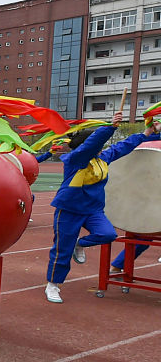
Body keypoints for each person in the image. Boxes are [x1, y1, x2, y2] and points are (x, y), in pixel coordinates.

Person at [43, 113, 159, 303]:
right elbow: (91, 145)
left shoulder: (103, 158)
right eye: (99, 144)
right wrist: (110, 127)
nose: (102, 147)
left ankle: (80, 244)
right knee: (62, 249)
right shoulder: (75, 159)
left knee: (107, 234)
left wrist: (147, 132)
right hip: (69, 210)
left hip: (93, 210)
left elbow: (124, 146)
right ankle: (53, 285)